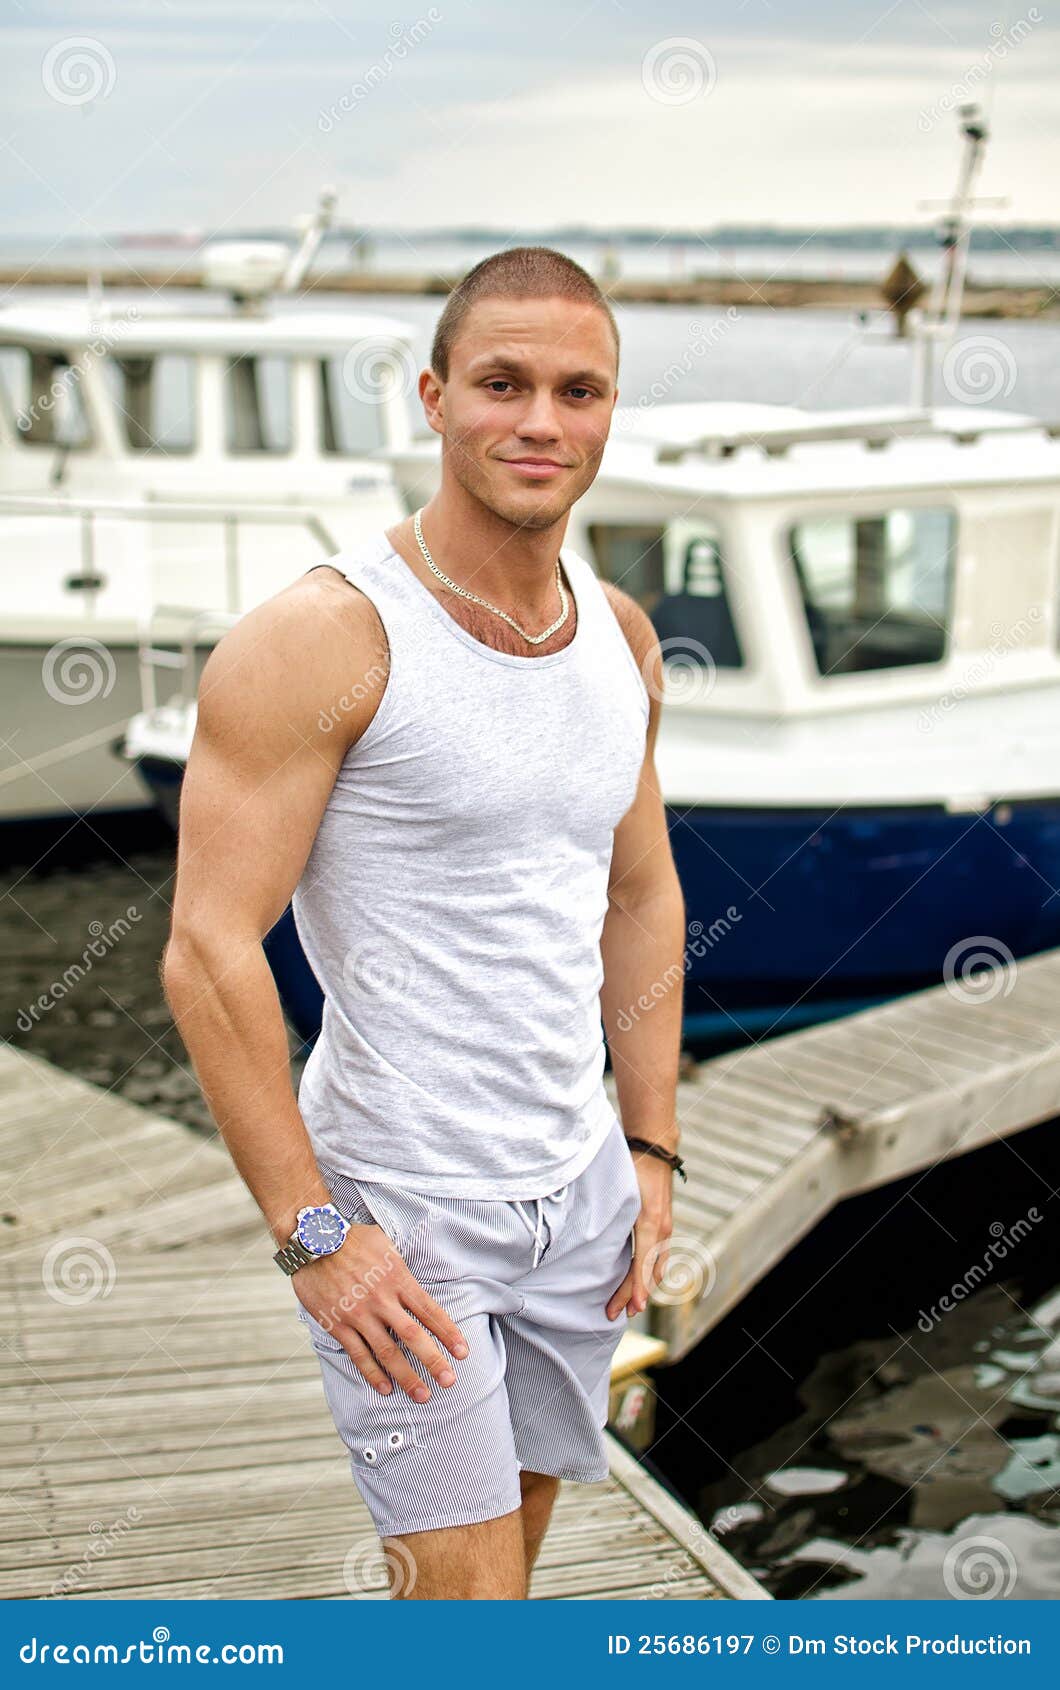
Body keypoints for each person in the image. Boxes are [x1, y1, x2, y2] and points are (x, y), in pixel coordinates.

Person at [162, 245, 686, 1600]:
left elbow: (640, 893)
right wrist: (315, 1232)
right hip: (406, 1206)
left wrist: (649, 1145)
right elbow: (210, 948)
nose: (540, 422)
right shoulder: (328, 638)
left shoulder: (619, 636)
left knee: (498, 1574)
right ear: (433, 395)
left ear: (611, 412)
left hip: (576, 1192)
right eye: (502, 383)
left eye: (579, 391)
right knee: (468, 1621)